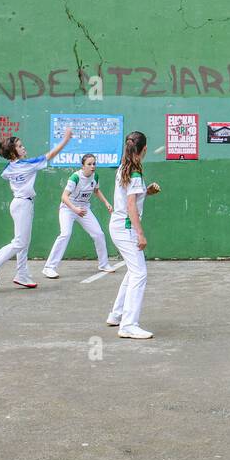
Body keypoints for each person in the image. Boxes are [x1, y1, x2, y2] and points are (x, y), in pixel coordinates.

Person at [0, 125, 73, 290]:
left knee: (24, 243)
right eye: (19, 146)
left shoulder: (10, 168)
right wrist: (66, 140)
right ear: (12, 152)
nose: (23, 147)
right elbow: (50, 155)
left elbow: (6, 173)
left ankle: (22, 275)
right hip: (22, 204)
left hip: (22, 203)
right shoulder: (27, 164)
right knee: (19, 242)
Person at [106, 131, 160, 339]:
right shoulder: (135, 173)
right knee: (140, 274)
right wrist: (140, 234)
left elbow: (130, 196)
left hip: (118, 226)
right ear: (144, 150)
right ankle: (128, 325)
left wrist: (146, 192)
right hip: (126, 228)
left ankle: (117, 314)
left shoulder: (124, 168)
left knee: (133, 270)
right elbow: (131, 206)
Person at [41, 153, 113, 279]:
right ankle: (49, 268)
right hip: (68, 208)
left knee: (99, 234)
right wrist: (74, 209)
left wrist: (106, 202)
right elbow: (64, 196)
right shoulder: (75, 177)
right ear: (82, 166)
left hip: (84, 209)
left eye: (94, 164)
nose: (92, 167)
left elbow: (96, 190)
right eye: (89, 164)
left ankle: (104, 264)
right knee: (65, 234)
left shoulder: (95, 176)